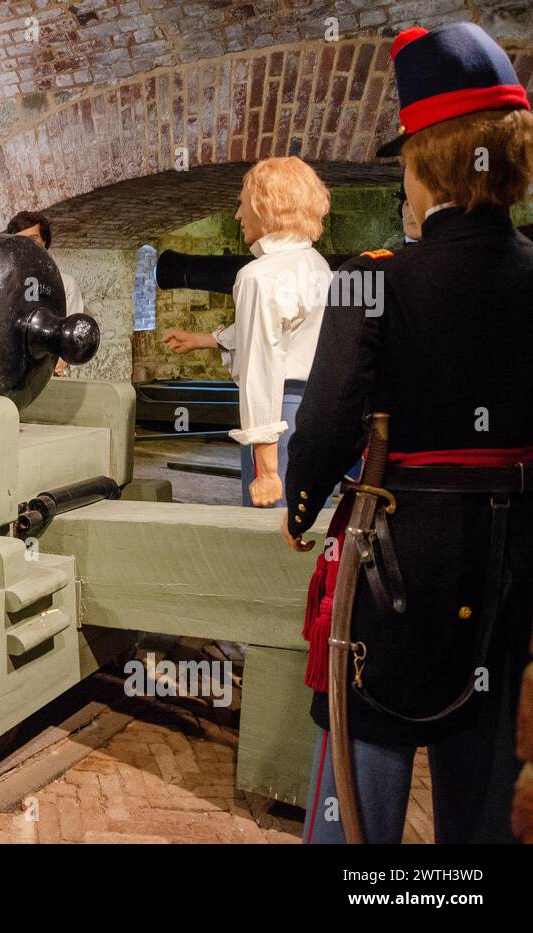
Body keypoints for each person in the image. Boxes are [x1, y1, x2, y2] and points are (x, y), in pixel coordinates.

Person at [283, 22, 533, 844]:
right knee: (481, 811)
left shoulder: (372, 280)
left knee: (355, 816)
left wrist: (300, 505)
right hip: (506, 578)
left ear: (428, 161)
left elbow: (323, 425)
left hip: (389, 580)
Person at [163, 157, 333, 507]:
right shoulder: (314, 264)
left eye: (242, 203)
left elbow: (263, 368)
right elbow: (283, 334)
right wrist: (204, 340)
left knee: (270, 530)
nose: (238, 215)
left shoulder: (259, 275)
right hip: (315, 408)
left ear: (265, 205)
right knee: (308, 522)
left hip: (278, 414)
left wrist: (267, 469)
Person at [5, 210, 86, 375]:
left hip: (47, 371)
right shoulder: (4, 283)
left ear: (45, 242)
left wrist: (58, 364)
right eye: (20, 240)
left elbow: (70, 334)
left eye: (33, 240)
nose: (26, 245)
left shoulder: (65, 283)